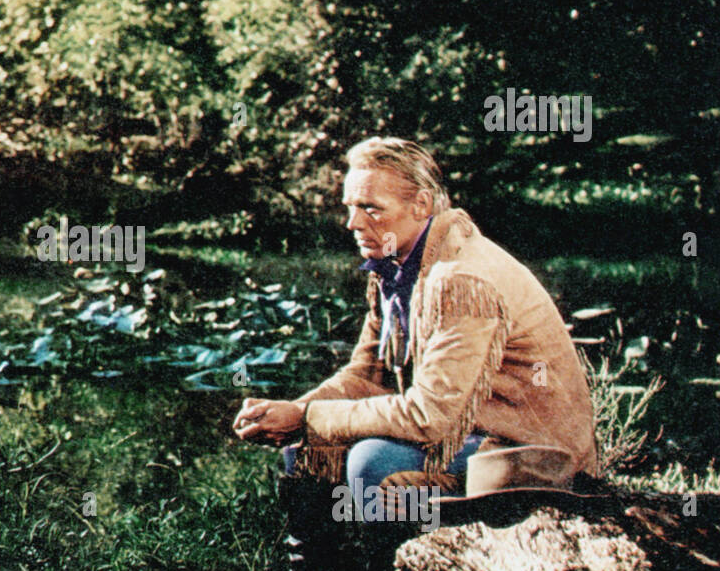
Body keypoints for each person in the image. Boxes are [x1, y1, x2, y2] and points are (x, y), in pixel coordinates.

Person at [232, 136, 597, 520]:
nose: (353, 223)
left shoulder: (460, 279)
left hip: (531, 456)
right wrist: (295, 411)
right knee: (306, 448)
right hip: (471, 434)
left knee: (372, 463)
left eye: (371, 209)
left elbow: (428, 416)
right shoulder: (396, 262)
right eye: (351, 207)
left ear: (421, 204)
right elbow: (367, 375)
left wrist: (307, 419)